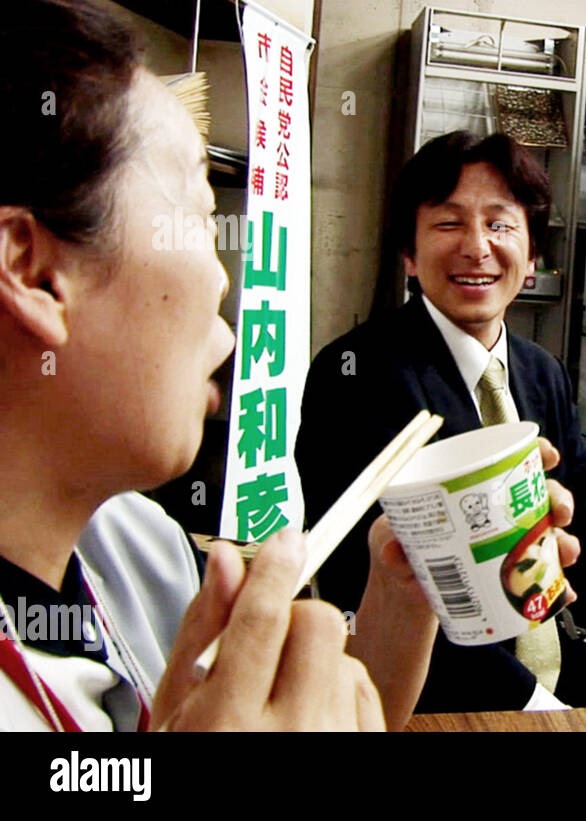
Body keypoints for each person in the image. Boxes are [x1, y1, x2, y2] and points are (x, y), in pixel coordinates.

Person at [0, 0, 445, 731]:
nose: (221, 281)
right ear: (37, 270)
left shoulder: (138, 547)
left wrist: (404, 593)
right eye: (201, 219)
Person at [296, 130, 586, 712]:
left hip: (556, 668)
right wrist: (538, 707)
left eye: (500, 223)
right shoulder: (357, 375)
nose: (477, 247)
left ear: (532, 252)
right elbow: (358, 578)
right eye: (448, 224)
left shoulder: (540, 372)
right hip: (428, 695)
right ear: (410, 254)